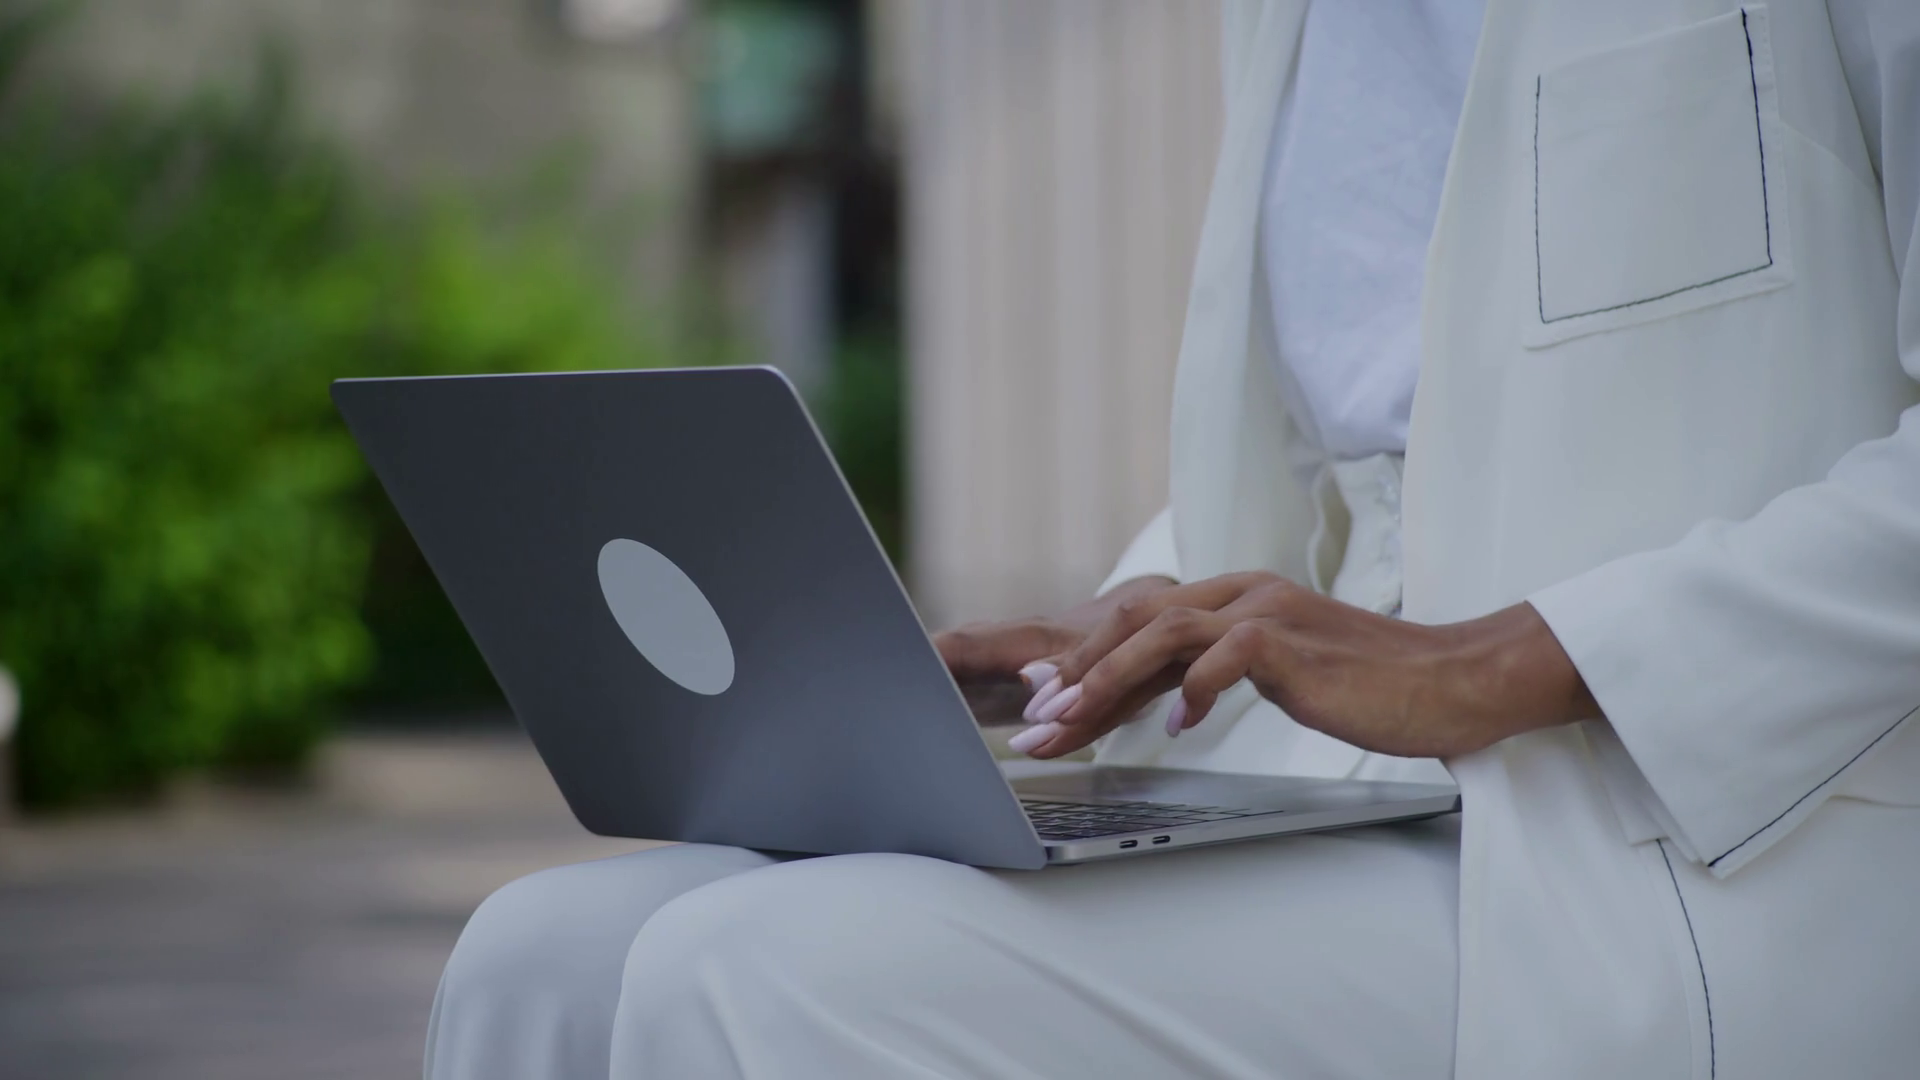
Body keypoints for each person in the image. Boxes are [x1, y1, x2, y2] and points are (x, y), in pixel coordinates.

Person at [424, 1, 1920, 1076]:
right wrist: (1138, 627)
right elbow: (1364, 470)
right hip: (1331, 786)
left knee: (762, 976)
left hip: (1707, 842)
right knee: (537, 954)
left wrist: (1500, 660)